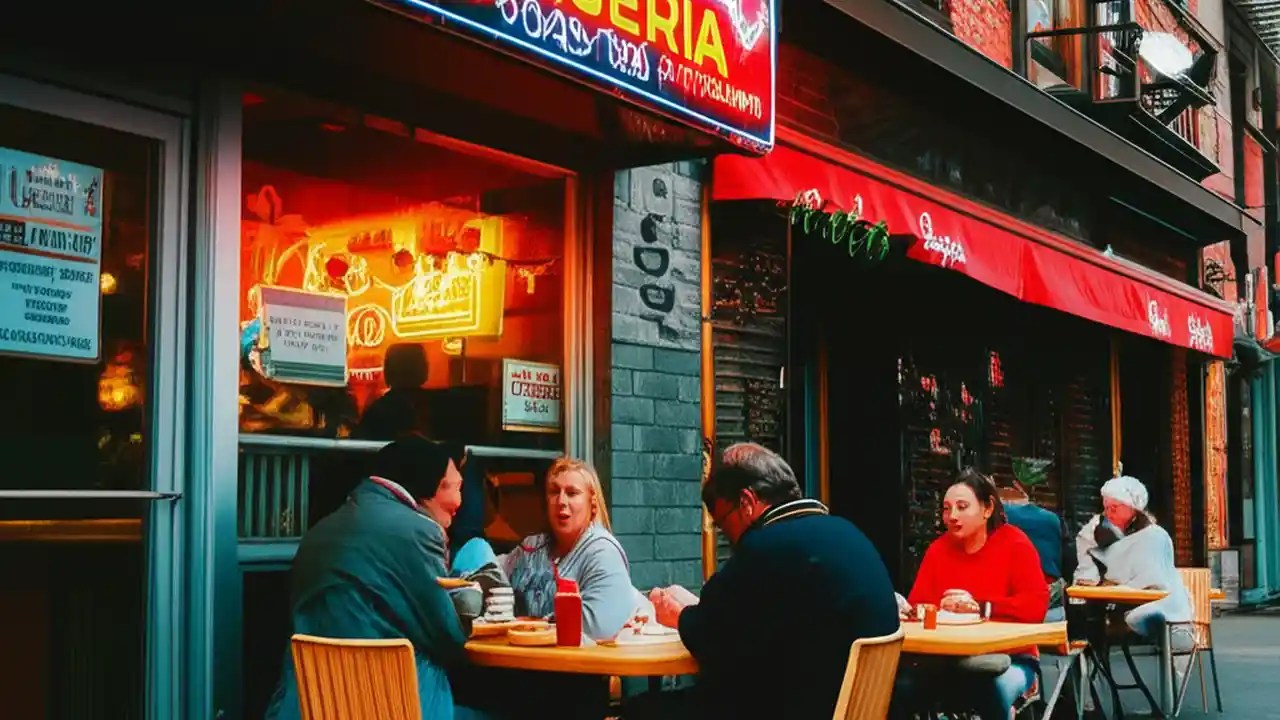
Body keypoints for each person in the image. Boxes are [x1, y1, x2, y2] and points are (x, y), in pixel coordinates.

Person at [629, 442, 900, 719]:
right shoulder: (846, 532)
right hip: (848, 707)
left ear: (746, 502)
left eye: (723, 524)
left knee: (640, 710)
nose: (728, 538)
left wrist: (679, 614)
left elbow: (714, 640)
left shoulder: (766, 547)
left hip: (796, 707)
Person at [264, 436, 484, 720]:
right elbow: (450, 638)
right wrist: (471, 599)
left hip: (309, 709)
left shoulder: (318, 533)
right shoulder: (416, 531)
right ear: (421, 483)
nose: (457, 500)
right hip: (392, 710)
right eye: (446, 485)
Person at [892, 468, 1049, 720]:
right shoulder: (938, 550)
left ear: (987, 509)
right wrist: (918, 610)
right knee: (899, 688)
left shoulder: (1015, 544)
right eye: (946, 508)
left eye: (962, 507)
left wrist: (981, 607)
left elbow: (1035, 607)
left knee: (990, 689)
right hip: (946, 659)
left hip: (1012, 657)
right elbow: (918, 607)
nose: (952, 516)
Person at [498, 458, 644, 640]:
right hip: (528, 661)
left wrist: (531, 626)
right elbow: (493, 574)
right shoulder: (532, 547)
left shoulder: (602, 552)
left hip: (586, 665)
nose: (561, 501)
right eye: (553, 492)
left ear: (592, 504)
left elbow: (598, 626)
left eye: (572, 493)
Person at [1072, 475, 1191, 643]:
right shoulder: (1094, 531)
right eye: (1106, 508)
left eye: (1114, 507)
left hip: (1153, 599)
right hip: (1113, 603)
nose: (1109, 513)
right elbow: (1086, 569)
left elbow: (1155, 575)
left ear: (1133, 508)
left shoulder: (1154, 535)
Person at [1000, 480, 1074, 622]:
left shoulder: (998, 518)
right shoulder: (1053, 519)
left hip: (1010, 605)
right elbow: (1069, 558)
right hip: (1051, 602)